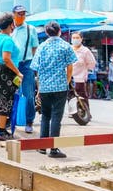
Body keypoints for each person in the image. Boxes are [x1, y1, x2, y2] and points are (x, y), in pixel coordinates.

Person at [30, 20, 77, 158]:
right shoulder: (66, 46)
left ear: (46, 32)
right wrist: (66, 82)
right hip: (60, 87)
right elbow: (70, 68)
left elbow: (36, 70)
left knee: (45, 116)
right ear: (60, 31)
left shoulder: (42, 47)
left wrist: (39, 88)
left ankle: (42, 146)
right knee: (57, 117)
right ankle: (54, 149)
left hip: (45, 87)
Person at [0, 13, 23, 141]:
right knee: (5, 100)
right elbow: (6, 59)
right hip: (5, 72)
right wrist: (18, 72)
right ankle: (1, 131)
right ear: (10, 25)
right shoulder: (8, 40)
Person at [11, 5, 39, 134]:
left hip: (27, 64)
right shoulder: (10, 28)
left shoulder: (30, 29)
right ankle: (11, 120)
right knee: (11, 93)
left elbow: (35, 48)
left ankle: (29, 121)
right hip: (12, 65)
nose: (22, 16)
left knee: (29, 94)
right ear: (13, 15)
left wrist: (34, 64)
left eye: (23, 14)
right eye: (19, 14)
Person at [68, 32, 96, 116]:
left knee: (82, 94)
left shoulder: (85, 51)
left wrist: (86, 70)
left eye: (77, 38)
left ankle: (86, 113)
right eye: (73, 38)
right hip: (69, 76)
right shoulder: (69, 49)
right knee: (70, 95)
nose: (75, 40)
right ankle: (72, 113)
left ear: (81, 39)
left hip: (80, 77)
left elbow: (92, 63)